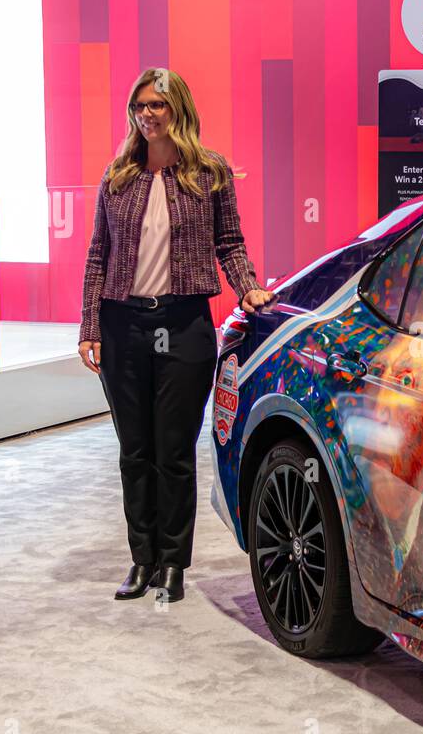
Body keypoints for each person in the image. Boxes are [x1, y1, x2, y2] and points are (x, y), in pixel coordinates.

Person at [77, 68, 275, 603]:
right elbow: (98, 255)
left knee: (175, 450)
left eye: (157, 105)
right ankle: (141, 560)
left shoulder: (208, 173)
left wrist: (249, 289)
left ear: (177, 109)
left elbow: (229, 243)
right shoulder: (118, 176)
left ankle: (173, 565)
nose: (148, 114)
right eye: (139, 105)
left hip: (184, 324)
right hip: (123, 325)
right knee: (134, 450)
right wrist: (89, 327)